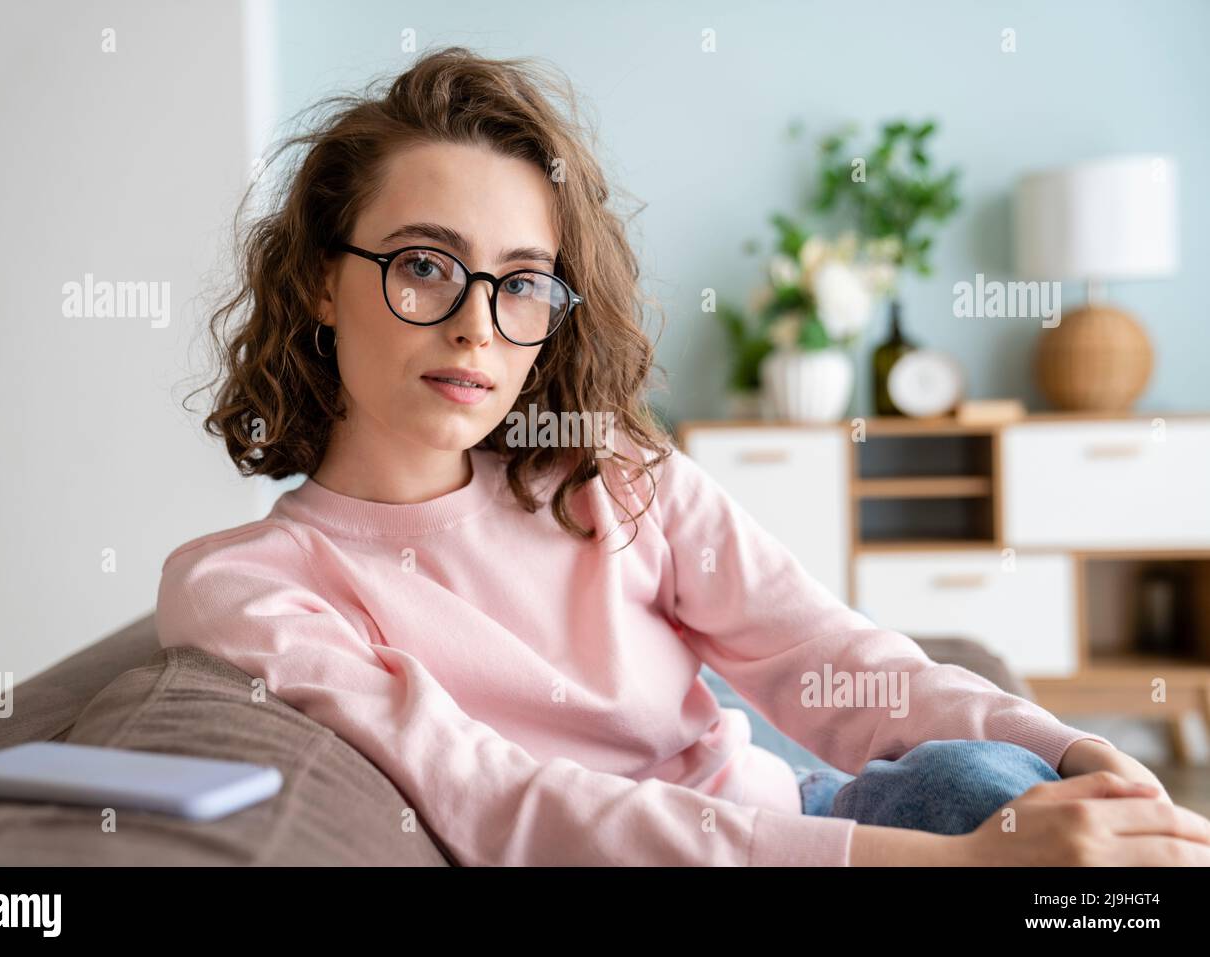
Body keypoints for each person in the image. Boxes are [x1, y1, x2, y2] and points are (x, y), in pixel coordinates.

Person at [157, 46, 1210, 866]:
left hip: (813, 818)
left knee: (1003, 782)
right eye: (425, 265)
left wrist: (1076, 748)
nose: (478, 326)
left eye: (521, 282)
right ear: (319, 280)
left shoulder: (606, 472)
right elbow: (500, 804)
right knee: (994, 811)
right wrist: (957, 865)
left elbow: (829, 656)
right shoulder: (251, 585)